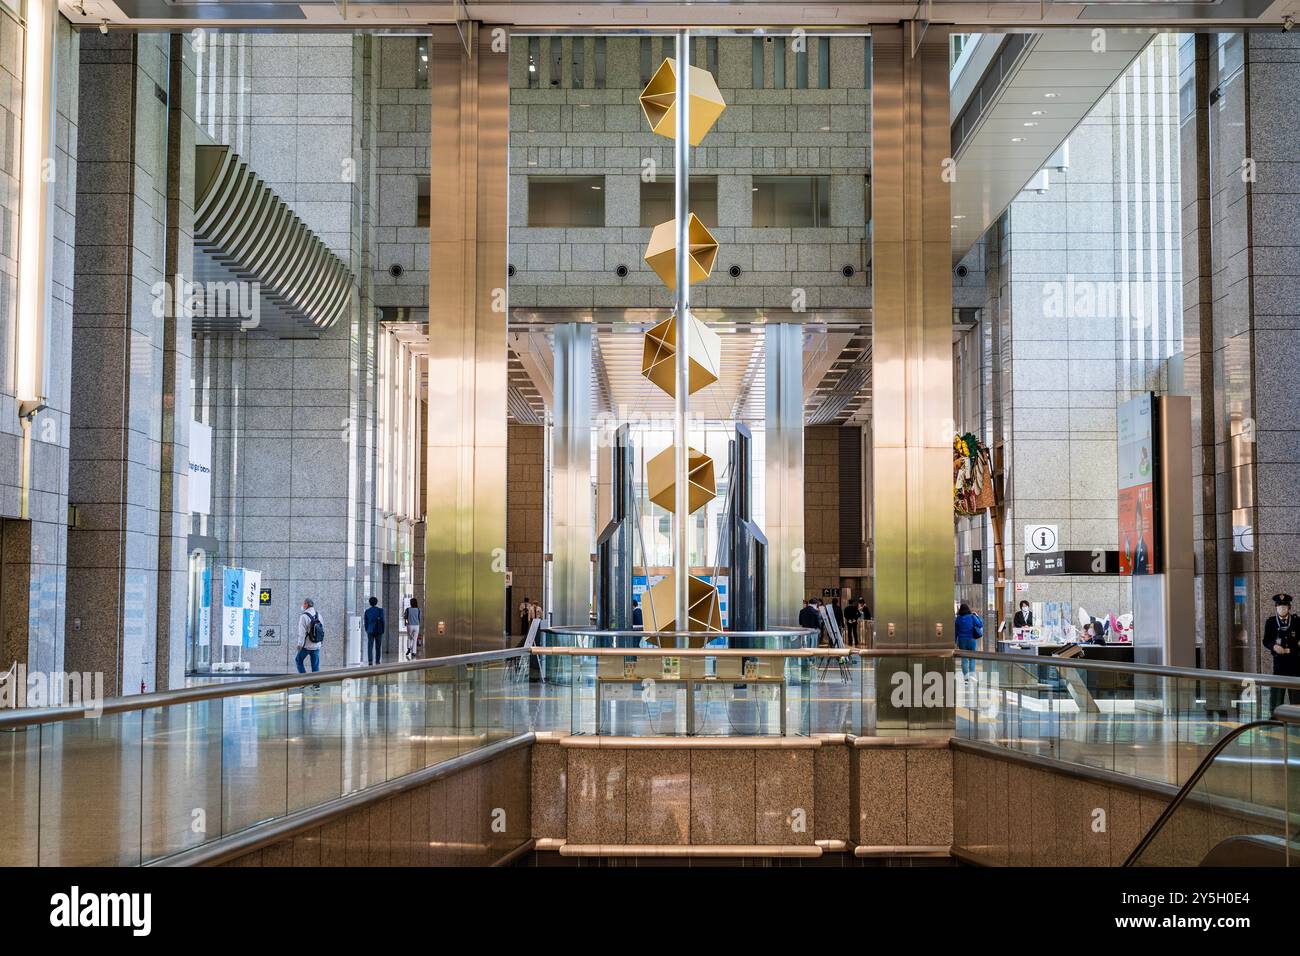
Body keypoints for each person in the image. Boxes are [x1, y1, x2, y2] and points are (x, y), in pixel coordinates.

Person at [1264, 592, 1300, 708]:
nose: (1282, 608)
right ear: (1276, 607)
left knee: (1296, 697)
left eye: (1284, 606)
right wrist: (1274, 646)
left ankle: (1296, 721)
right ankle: (1274, 720)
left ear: (1289, 607)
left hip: (1295, 662)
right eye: (1279, 606)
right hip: (1279, 663)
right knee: (1277, 696)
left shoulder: (1297, 621)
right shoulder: (1271, 622)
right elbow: (1266, 640)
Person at [954, 602, 983, 676]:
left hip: (962, 641)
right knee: (972, 658)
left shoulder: (958, 619)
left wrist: (954, 642)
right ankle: (972, 676)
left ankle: (966, 677)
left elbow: (956, 632)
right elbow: (980, 624)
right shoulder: (972, 617)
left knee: (964, 659)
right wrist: (977, 616)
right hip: (971, 640)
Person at [296, 598, 323, 674]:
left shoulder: (304, 616)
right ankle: (316, 685)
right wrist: (320, 642)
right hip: (317, 645)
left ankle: (304, 681)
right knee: (315, 666)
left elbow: (302, 633)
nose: (302, 605)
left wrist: (299, 645)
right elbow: (322, 630)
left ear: (307, 604)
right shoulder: (319, 615)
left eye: (303, 604)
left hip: (306, 646)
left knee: (298, 660)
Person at [363, 596, 385, 666]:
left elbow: (365, 622)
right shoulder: (380, 610)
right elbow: (383, 621)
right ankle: (377, 661)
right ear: (376, 602)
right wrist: (383, 629)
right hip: (379, 630)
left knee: (370, 646)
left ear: (369, 603)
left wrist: (367, 629)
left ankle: (370, 661)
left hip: (370, 630)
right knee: (378, 646)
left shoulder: (367, 611)